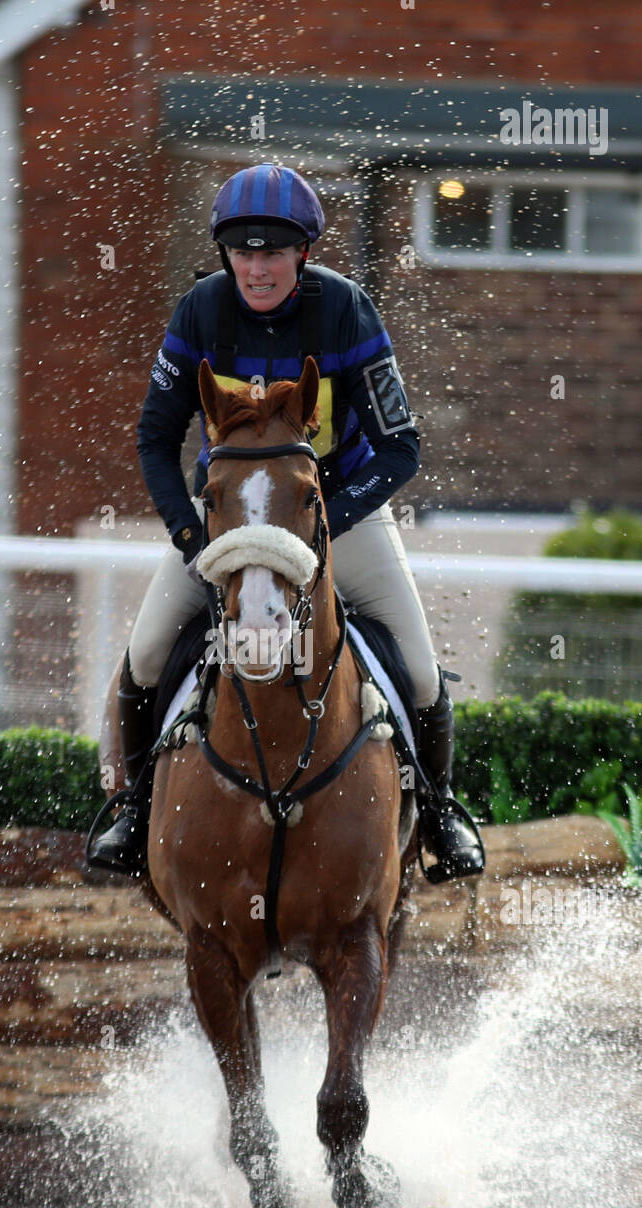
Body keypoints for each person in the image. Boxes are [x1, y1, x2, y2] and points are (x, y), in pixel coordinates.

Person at [87, 162, 484, 882]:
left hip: (334, 513)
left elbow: (401, 448)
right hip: (231, 521)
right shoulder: (200, 313)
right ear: (225, 254)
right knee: (146, 655)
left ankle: (441, 812)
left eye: (273, 251)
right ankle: (133, 809)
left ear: (303, 253)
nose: (257, 267)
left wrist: (330, 519)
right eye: (244, 251)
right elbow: (154, 436)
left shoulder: (346, 311)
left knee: (421, 672)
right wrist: (187, 533)